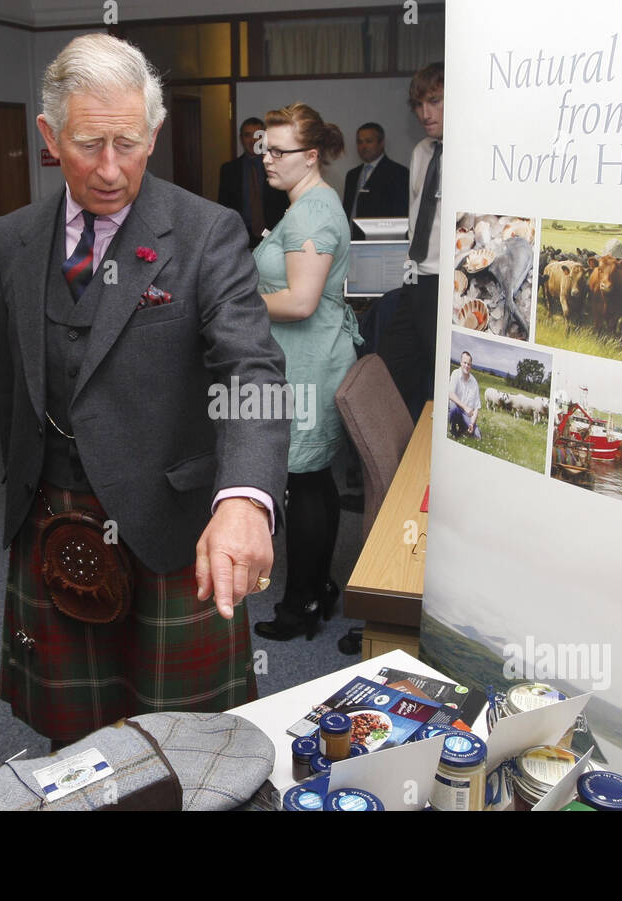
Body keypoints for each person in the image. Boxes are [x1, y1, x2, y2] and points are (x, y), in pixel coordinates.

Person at [0, 34, 288, 743]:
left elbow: (253, 370)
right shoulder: (11, 236)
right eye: (90, 144)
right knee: (73, 732)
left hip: (170, 522)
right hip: (49, 515)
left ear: (153, 132)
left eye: (130, 143)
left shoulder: (207, 231)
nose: (112, 169)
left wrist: (246, 495)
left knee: (185, 741)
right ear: (49, 136)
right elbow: (10, 383)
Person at [250, 102, 360, 642]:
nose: (267, 159)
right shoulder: (308, 203)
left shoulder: (313, 212)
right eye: (264, 149)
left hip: (310, 365)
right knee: (311, 482)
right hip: (306, 360)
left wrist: (236, 298)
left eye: (278, 151)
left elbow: (298, 302)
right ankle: (317, 591)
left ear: (311, 156)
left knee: (305, 483)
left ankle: (302, 606)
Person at [380, 62, 444, 419]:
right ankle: (395, 463)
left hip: (450, 286)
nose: (425, 113)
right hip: (416, 279)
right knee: (388, 372)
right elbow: (416, 216)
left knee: (443, 383)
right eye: (419, 105)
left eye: (434, 101)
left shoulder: (475, 156)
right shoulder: (422, 151)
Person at [218, 116, 288, 248]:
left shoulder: (277, 166)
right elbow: (223, 207)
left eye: (258, 135)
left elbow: (285, 203)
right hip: (239, 237)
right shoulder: (229, 170)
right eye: (247, 135)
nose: (253, 140)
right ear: (241, 139)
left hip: (274, 237)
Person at [341, 122, 409, 240]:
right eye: (360, 142)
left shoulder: (398, 172)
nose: (364, 146)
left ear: (381, 143)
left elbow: (400, 215)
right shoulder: (352, 175)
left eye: (369, 141)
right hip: (352, 242)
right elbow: (347, 211)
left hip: (383, 243)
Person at [448, 350, 481, 439]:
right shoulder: (455, 373)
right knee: (454, 408)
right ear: (460, 362)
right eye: (464, 363)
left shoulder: (474, 382)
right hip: (455, 410)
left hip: (465, 415)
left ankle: (463, 428)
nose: (466, 366)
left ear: (471, 365)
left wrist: (471, 423)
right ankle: (453, 427)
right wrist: (465, 407)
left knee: (477, 436)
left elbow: (476, 407)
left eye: (469, 364)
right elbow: (450, 394)